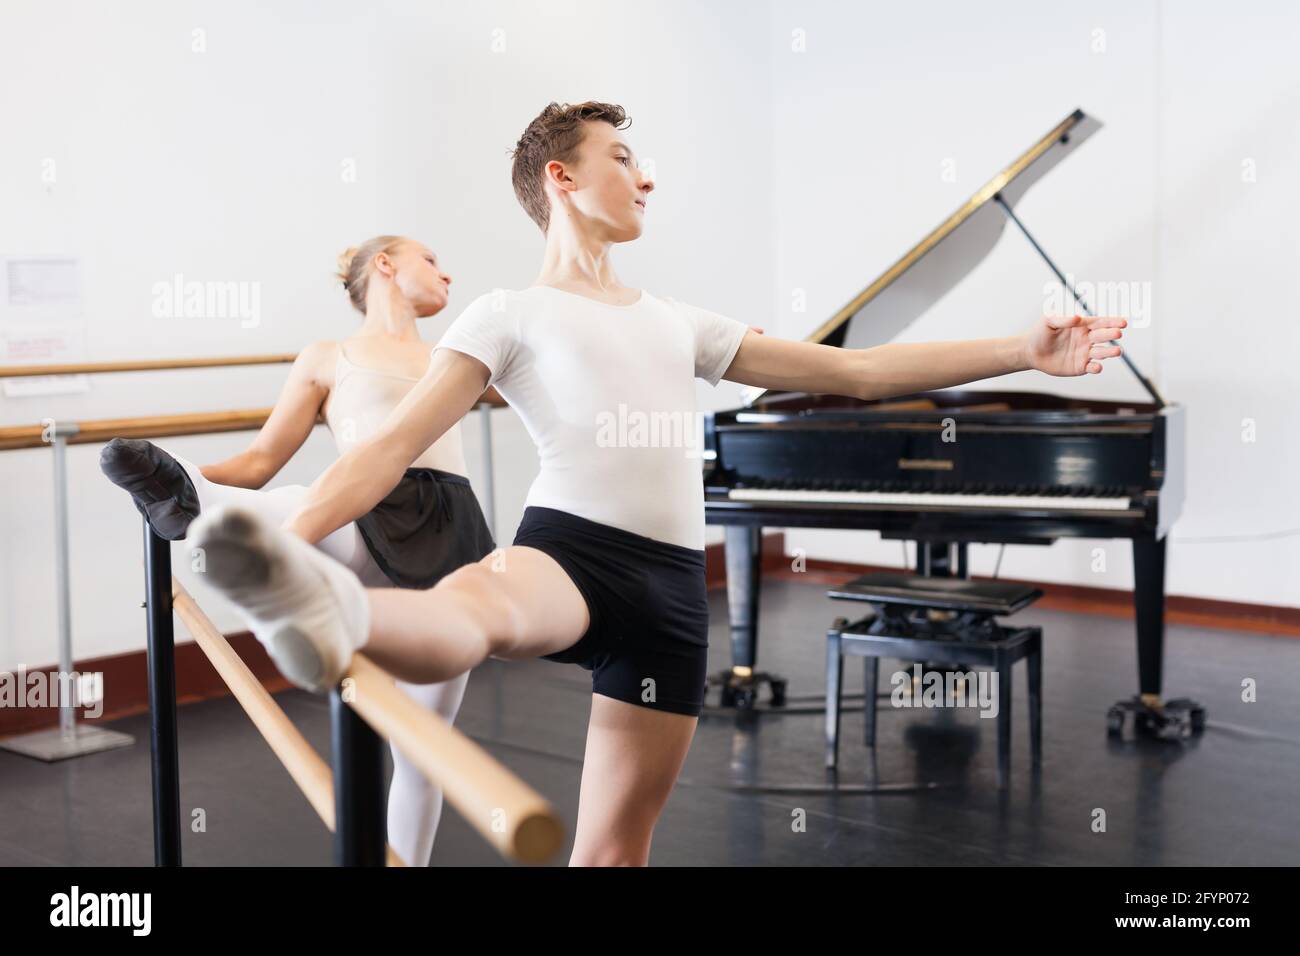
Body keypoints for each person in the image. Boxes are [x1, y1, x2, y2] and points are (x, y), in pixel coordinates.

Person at [186, 101, 1127, 866]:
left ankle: (327, 606)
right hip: (571, 549)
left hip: (675, 593)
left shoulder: (683, 322)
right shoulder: (508, 312)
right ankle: (328, 611)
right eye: (622, 157)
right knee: (476, 611)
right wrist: (295, 533)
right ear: (561, 177)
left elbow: (859, 372)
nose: (645, 177)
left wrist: (1021, 353)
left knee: (611, 851)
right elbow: (386, 448)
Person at [99, 236, 496, 868]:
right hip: (363, 509)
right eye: (432, 259)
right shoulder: (327, 357)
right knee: (304, 498)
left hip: (453, 535)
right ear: (385, 265)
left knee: (425, 748)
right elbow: (259, 461)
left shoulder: (456, 356)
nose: (447, 273)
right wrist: (190, 475)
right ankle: (189, 492)